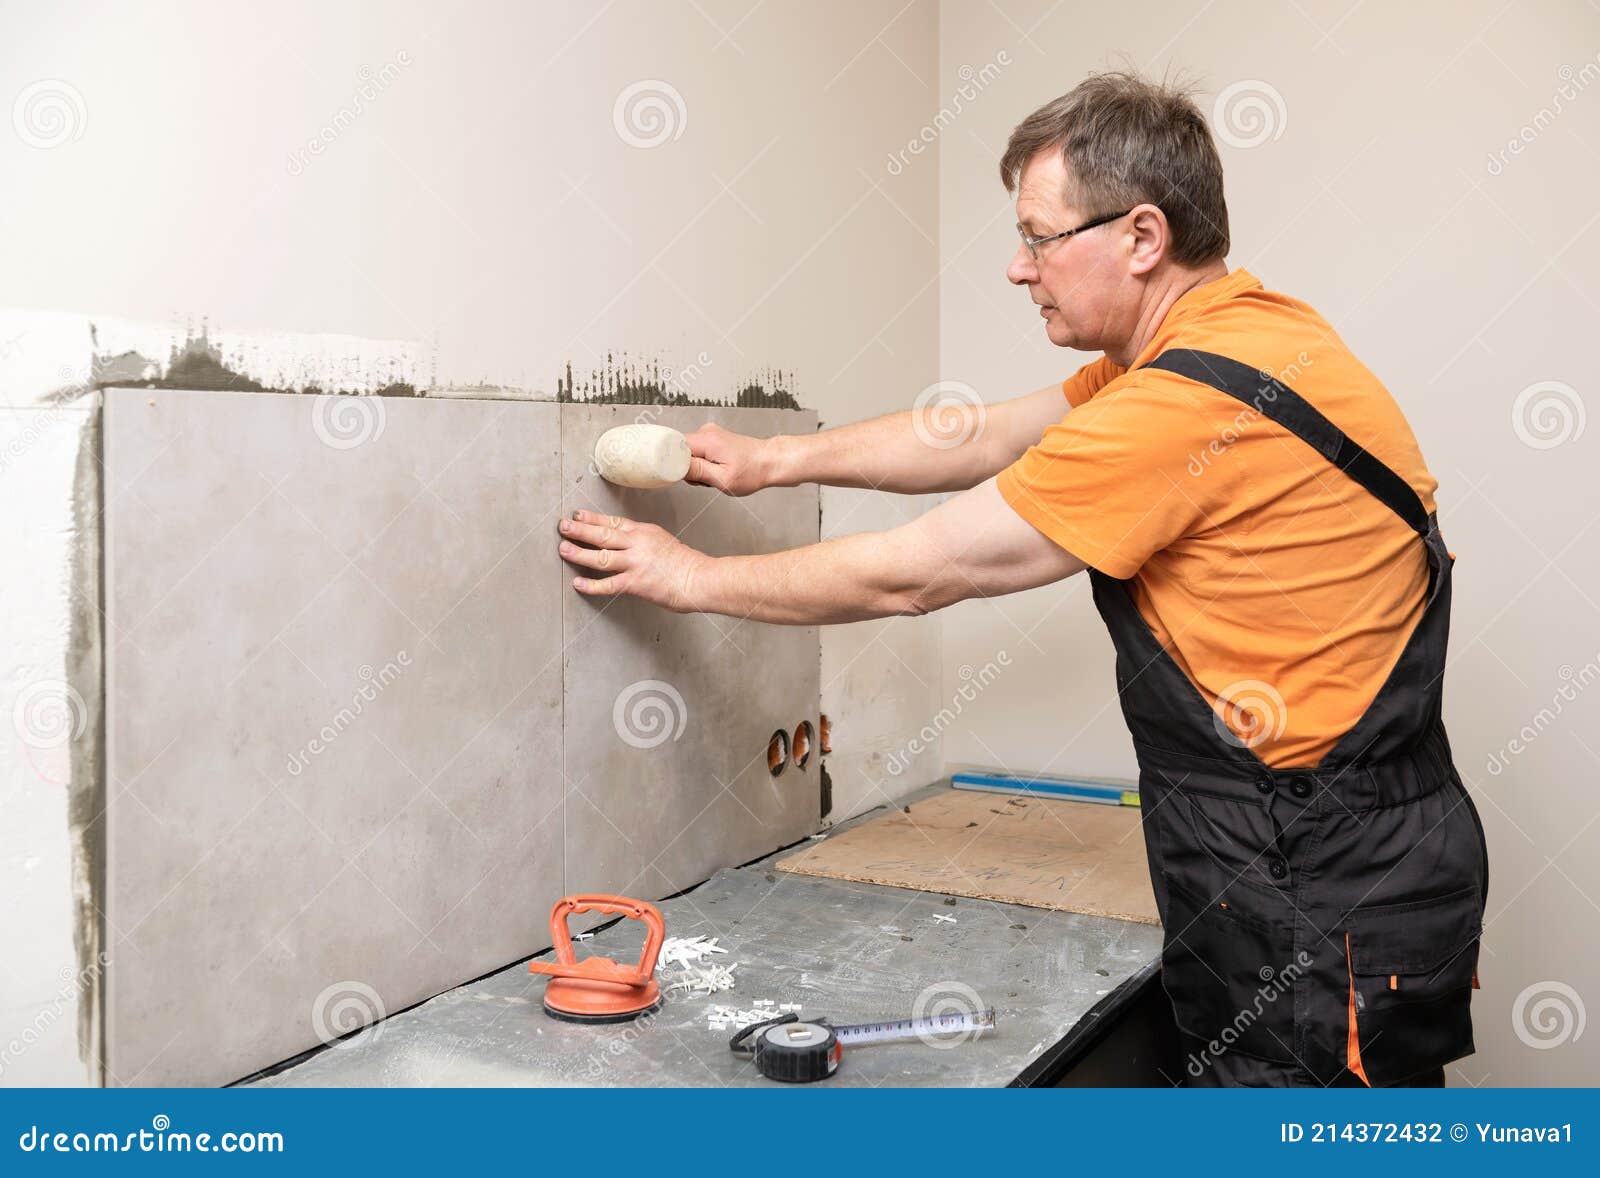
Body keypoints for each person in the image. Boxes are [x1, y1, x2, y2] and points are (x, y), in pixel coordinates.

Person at [554, 71, 1489, 1088]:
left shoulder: (1181, 403)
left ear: (1140, 236)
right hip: (1353, 851)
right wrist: (775, 460)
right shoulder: (1243, 335)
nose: (1017, 267)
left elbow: (925, 571)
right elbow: (983, 434)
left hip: (1311, 882)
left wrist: (687, 575)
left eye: (1041, 237)